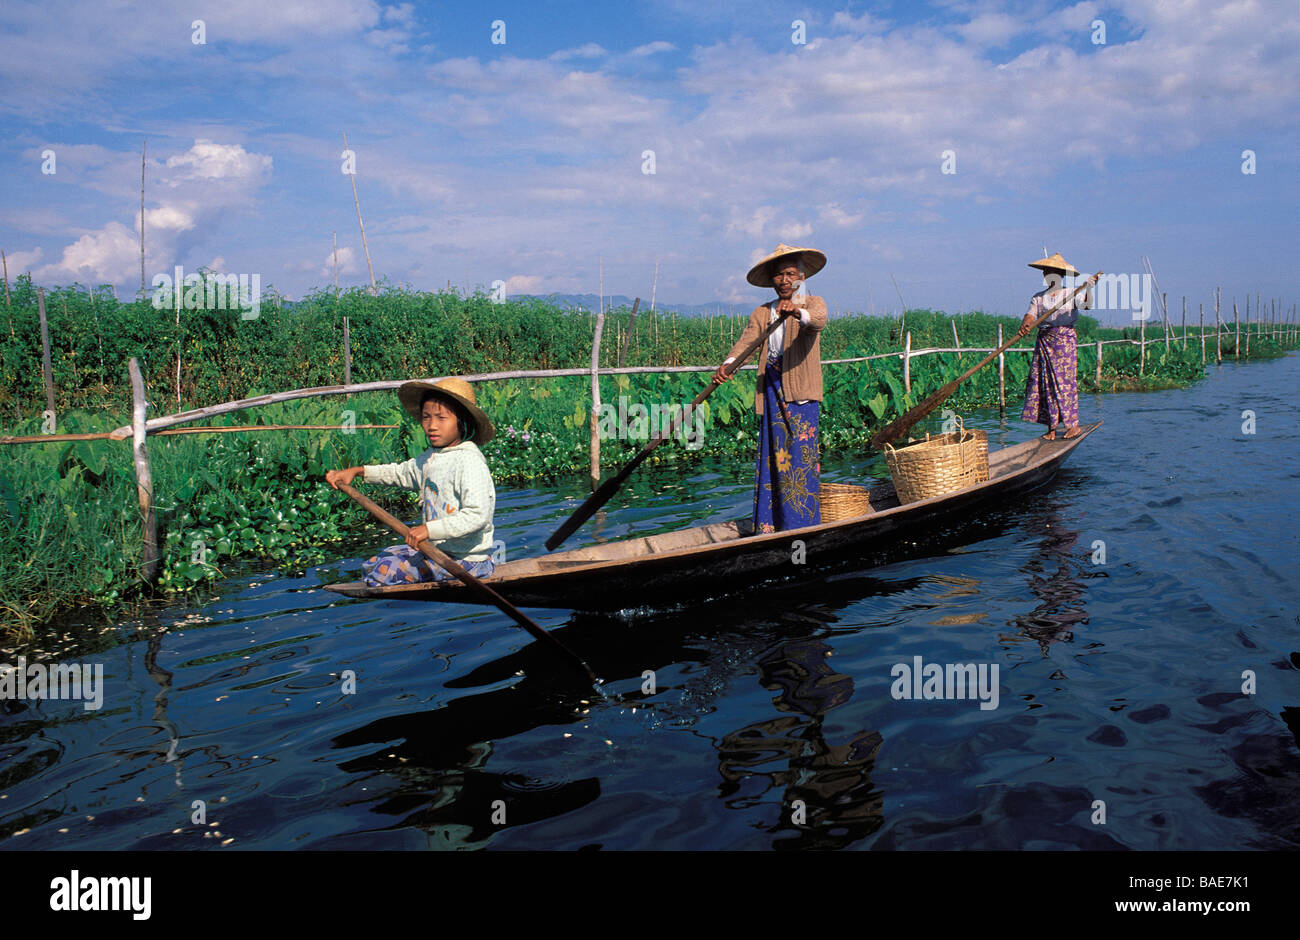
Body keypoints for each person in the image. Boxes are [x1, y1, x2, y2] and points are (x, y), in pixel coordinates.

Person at [326, 376, 497, 585]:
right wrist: (358, 471)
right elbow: (402, 473)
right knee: (375, 561)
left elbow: (477, 516)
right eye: (426, 417)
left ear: (462, 421)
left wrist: (428, 530)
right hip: (438, 551)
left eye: (441, 418)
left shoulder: (469, 461)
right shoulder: (433, 457)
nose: (432, 426)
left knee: (383, 571)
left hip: (468, 561)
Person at [714, 243, 828, 533]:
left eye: (790, 274)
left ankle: (801, 527)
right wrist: (728, 365)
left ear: (801, 276)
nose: (785, 281)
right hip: (772, 392)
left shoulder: (812, 303)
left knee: (800, 461)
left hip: (800, 395)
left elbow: (817, 322)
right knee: (776, 459)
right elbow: (746, 344)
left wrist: (797, 312)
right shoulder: (763, 313)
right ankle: (771, 526)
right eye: (779, 275)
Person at [1016, 251, 1086, 441]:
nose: (1048, 276)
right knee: (1044, 382)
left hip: (1064, 342)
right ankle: (1052, 428)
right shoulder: (1038, 297)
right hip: (1045, 340)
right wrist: (1026, 325)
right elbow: (1030, 315)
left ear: (1060, 275)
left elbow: (1085, 304)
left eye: (1052, 272)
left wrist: (1087, 290)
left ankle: (1073, 425)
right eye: (1046, 272)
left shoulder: (1070, 294)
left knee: (1064, 382)